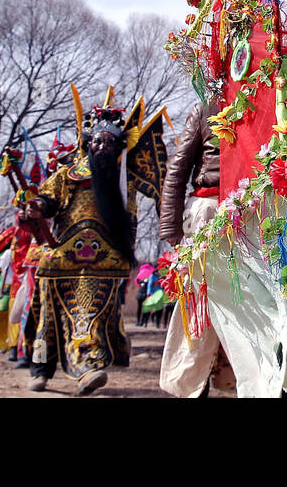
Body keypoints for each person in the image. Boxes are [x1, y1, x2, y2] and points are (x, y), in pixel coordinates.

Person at [20, 106, 137, 396]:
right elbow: (47, 200)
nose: (102, 147)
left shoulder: (124, 183)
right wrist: (38, 208)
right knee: (47, 320)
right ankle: (40, 371)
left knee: (90, 314)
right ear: (87, 143)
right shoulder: (65, 175)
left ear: (118, 147)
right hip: (61, 257)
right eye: (97, 141)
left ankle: (87, 368)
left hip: (103, 262)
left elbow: (128, 223)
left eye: (109, 143)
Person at [158, 99, 226, 396]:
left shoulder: (275, 93)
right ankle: (188, 385)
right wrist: (170, 224)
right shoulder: (206, 108)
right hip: (208, 212)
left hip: (257, 211)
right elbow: (178, 168)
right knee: (198, 300)